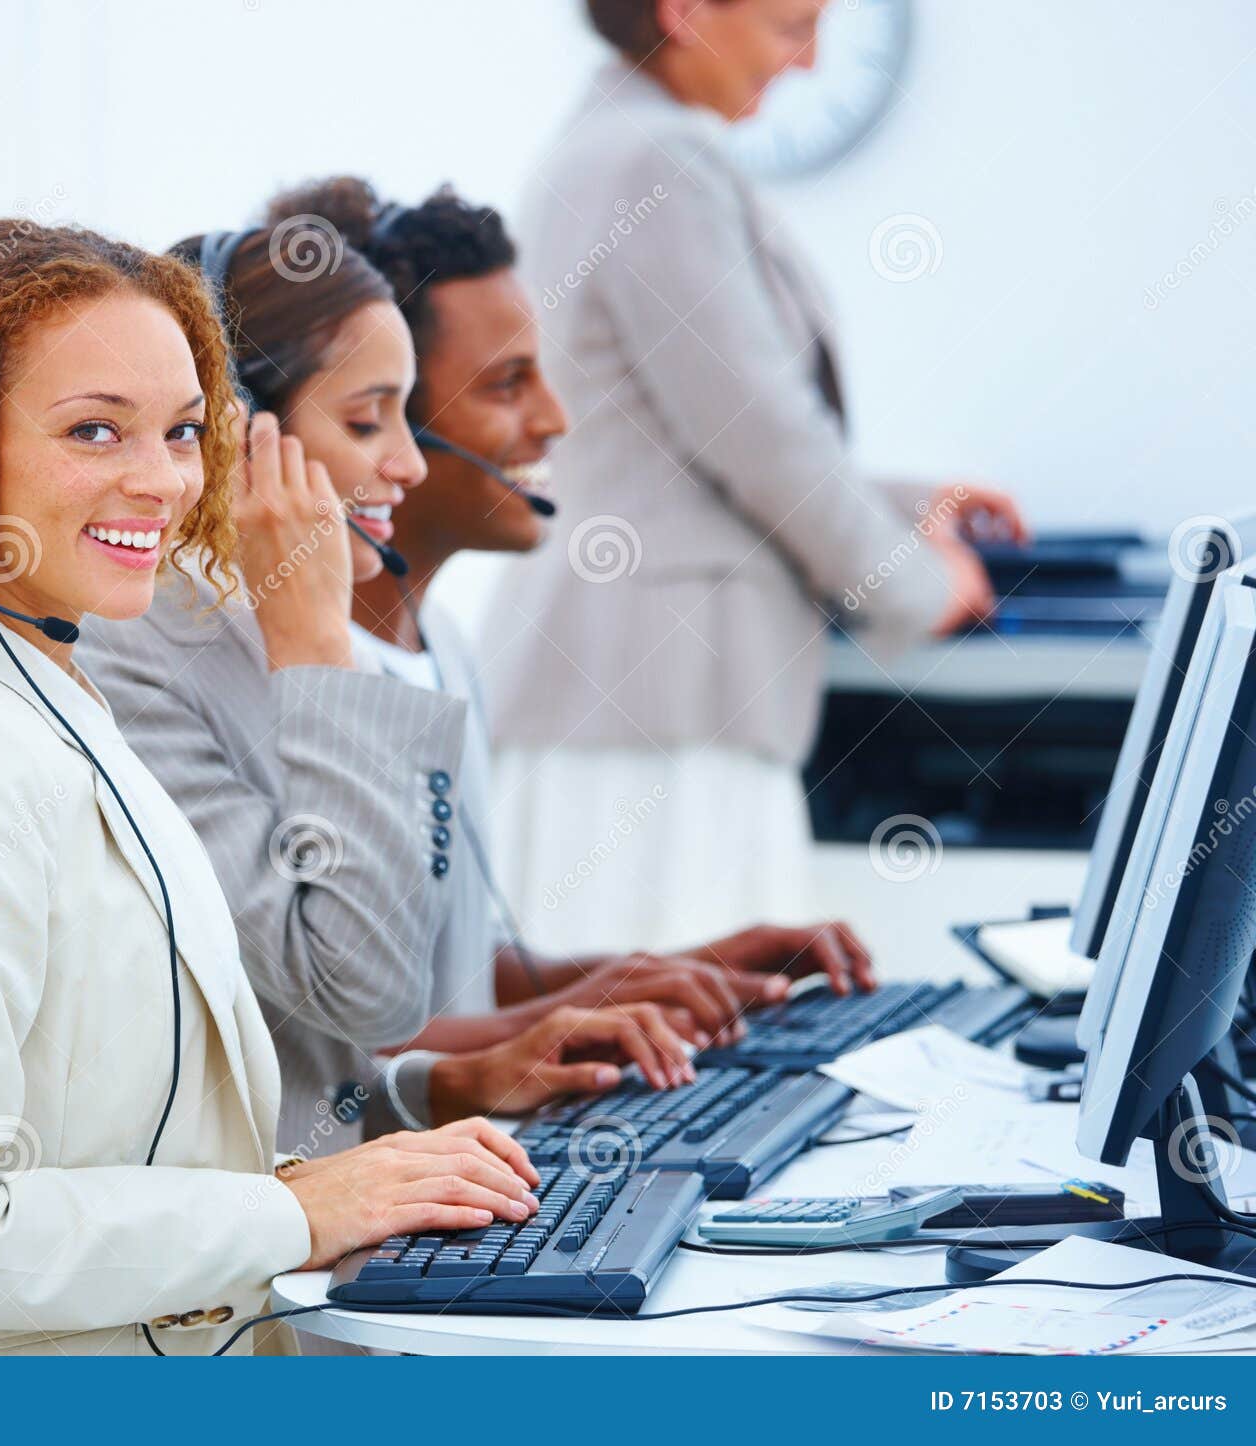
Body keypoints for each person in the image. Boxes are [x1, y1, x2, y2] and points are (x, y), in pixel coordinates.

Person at [0, 219, 539, 1357]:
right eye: (95, 430)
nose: (159, 480)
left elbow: (135, 1131)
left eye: (185, 431)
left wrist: (386, 1139)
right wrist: (297, 1213)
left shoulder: (51, 702)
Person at [82, 223, 717, 1157]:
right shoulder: (139, 663)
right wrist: (312, 642)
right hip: (260, 1246)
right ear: (235, 431)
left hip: (370, 1181)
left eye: (404, 412)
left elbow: (370, 1023)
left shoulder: (367, 641)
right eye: (368, 417)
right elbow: (368, 996)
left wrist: (487, 1061)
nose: (410, 464)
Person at [476, 0, 1029, 954]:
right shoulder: (655, 163)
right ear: (686, 14)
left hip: (634, 688)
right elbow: (760, 435)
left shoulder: (612, 149)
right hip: (658, 704)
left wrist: (907, 507)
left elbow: (684, 438)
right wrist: (919, 584)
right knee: (669, 1063)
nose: (810, 62)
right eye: (789, 25)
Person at [264, 176, 878, 1036]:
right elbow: (331, 1044)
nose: (555, 419)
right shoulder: (273, 671)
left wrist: (665, 974)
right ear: (385, 409)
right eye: (507, 385)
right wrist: (559, 1025)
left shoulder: (441, 642)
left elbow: (458, 983)